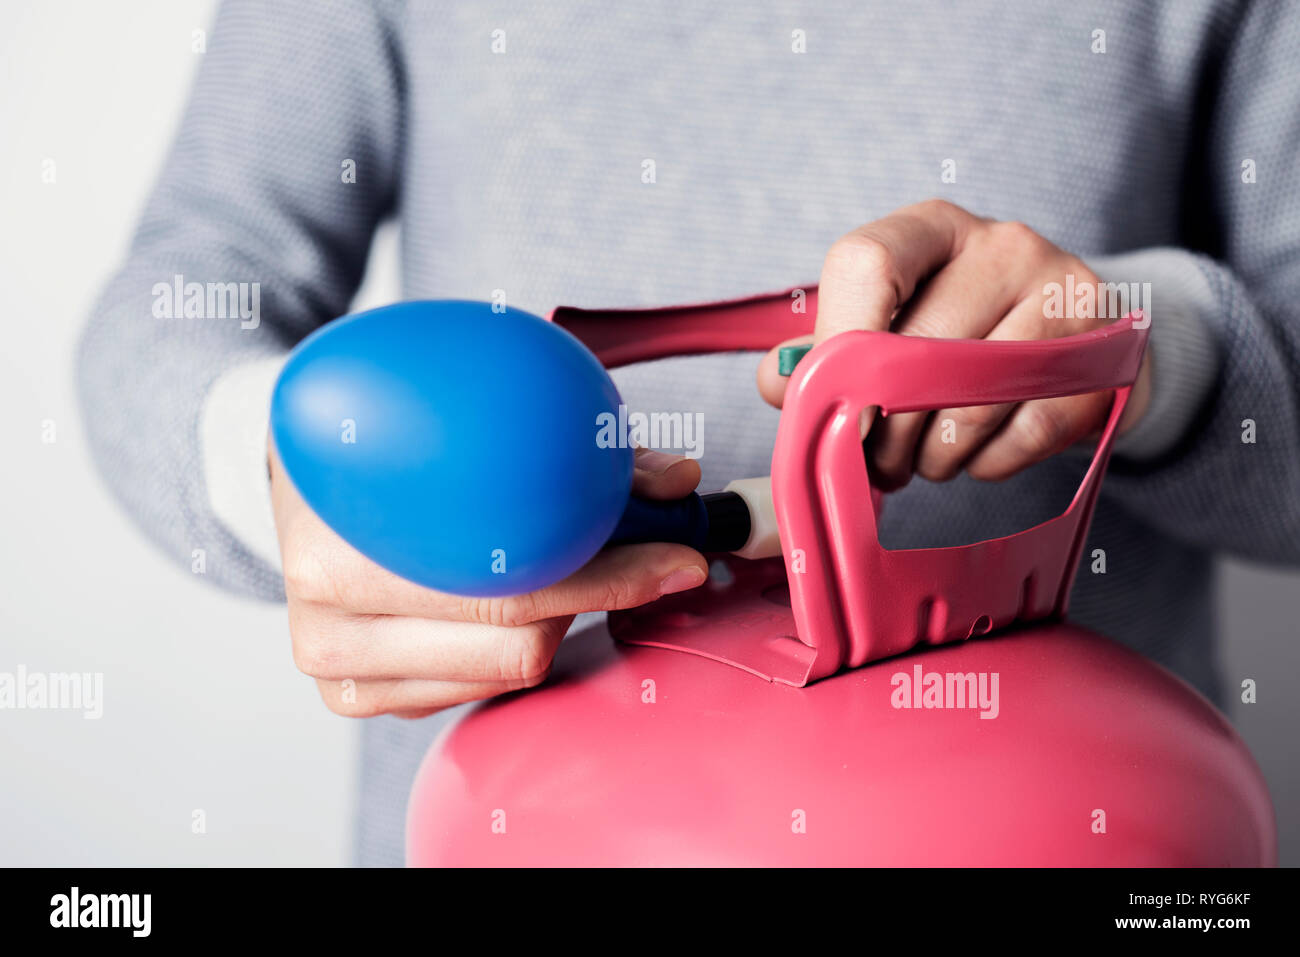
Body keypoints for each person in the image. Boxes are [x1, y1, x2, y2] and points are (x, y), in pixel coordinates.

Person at [77, 1, 1300, 866]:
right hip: (522, 828)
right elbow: (186, 283)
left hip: (1087, 825)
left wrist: (1153, 343)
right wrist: (270, 469)